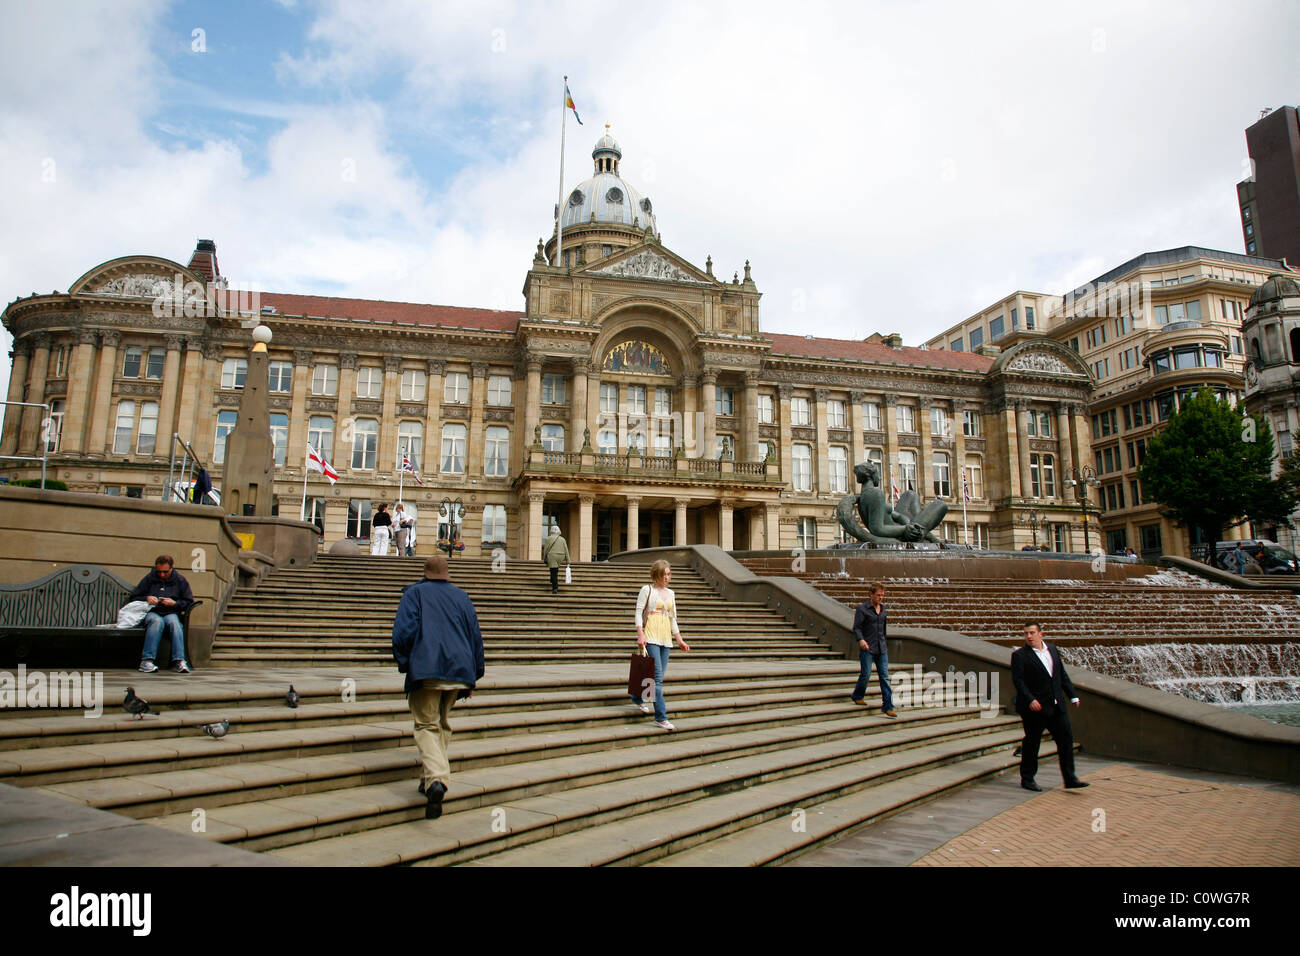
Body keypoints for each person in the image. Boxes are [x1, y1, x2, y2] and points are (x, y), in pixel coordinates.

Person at [392, 555, 485, 819]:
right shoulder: (462, 597)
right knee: (442, 724)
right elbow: (475, 636)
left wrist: (406, 662)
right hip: (459, 669)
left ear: (426, 574)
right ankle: (428, 780)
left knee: (425, 725)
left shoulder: (415, 594)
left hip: (427, 670)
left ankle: (437, 780)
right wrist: (475, 674)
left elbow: (403, 634)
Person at [1010, 622, 1088, 792]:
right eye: (1026, 633)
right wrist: (1030, 699)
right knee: (1032, 744)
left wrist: (1072, 695)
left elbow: (1061, 675)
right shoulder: (1020, 655)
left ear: (1041, 634)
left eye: (1032, 633)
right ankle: (1028, 779)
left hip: (1056, 706)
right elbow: (1018, 681)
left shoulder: (1052, 650)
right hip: (1034, 709)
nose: (1028, 636)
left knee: (1066, 741)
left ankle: (1070, 778)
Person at [634, 560, 691, 730]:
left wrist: (679, 639)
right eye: (664, 574)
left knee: (654, 675)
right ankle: (661, 716)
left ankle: (638, 697)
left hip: (666, 637)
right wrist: (640, 634)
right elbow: (638, 612)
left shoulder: (671, 593)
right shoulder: (647, 590)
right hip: (651, 635)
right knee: (657, 678)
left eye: (668, 574)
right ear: (656, 575)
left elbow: (673, 618)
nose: (667, 577)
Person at [130, 555, 194, 674]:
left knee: (175, 624)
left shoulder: (180, 580)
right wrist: (147, 598)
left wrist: (174, 603)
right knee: (156, 622)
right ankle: (146, 661)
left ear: (171, 568)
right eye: (159, 572)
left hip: (171, 612)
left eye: (165, 572)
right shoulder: (150, 578)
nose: (162, 575)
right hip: (152, 612)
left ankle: (179, 660)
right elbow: (134, 596)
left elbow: (188, 601)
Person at [850, 582, 896, 718]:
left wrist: (884, 641)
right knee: (866, 674)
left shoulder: (883, 609)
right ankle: (858, 695)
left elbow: (884, 628)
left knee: (885, 677)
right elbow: (856, 628)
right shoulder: (862, 609)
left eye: (883, 595)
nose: (881, 598)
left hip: (881, 648)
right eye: (878, 595)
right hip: (868, 647)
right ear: (871, 594)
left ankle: (888, 706)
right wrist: (861, 640)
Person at [542, 522, 570, 594]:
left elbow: (546, 549)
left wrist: (544, 557)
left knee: (553, 571)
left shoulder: (549, 538)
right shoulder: (562, 539)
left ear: (551, 530)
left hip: (552, 556)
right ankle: (552, 579)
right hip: (561, 556)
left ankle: (555, 588)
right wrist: (568, 560)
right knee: (555, 569)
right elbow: (566, 549)